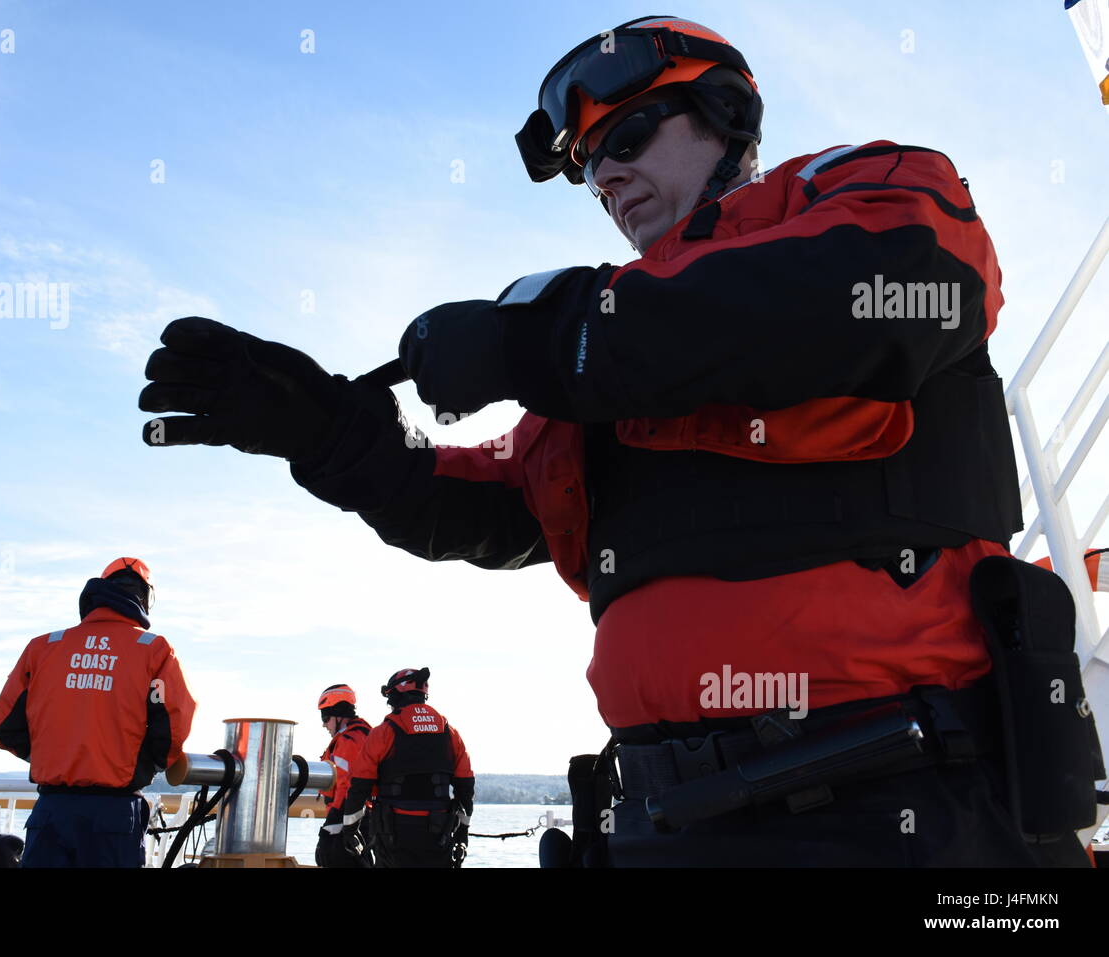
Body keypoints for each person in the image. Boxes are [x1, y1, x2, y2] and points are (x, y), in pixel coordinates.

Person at [137, 16, 1098, 866]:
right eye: (590, 161)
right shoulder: (592, 368)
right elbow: (473, 501)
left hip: (908, 811)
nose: (604, 173)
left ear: (726, 118)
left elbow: (874, 295)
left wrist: (537, 336)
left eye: (629, 136)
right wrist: (326, 432)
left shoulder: (863, 190)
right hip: (664, 820)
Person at [0, 557, 196, 867]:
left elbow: (5, 724)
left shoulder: (43, 647)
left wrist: (50, 756)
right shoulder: (154, 650)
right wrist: (143, 766)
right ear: (144, 598)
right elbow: (173, 723)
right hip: (115, 816)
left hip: (51, 812)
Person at [337, 669, 474, 868]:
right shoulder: (450, 733)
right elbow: (466, 788)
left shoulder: (383, 733)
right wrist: (462, 833)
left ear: (394, 697)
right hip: (439, 835)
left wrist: (350, 830)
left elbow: (360, 785)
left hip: (393, 836)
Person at [313, 683, 373, 868]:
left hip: (347, 819)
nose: (323, 723)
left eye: (326, 716)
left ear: (339, 715)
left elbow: (347, 785)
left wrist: (332, 826)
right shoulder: (361, 735)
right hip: (359, 819)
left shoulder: (350, 741)